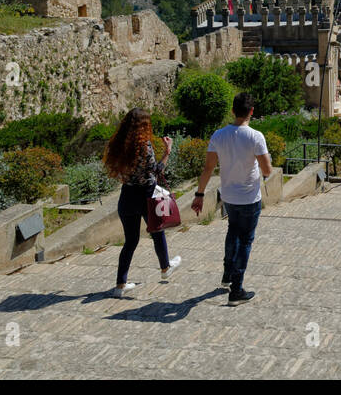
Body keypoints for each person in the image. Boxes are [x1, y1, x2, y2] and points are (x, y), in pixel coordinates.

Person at [193, 92, 273, 306]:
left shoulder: (218, 135)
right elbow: (267, 169)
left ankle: (228, 274)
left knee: (232, 231)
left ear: (233, 110)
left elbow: (208, 168)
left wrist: (199, 194)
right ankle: (236, 289)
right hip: (249, 197)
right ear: (252, 112)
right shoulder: (256, 136)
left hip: (228, 195)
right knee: (245, 240)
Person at [103, 108, 181, 297]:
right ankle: (165, 267)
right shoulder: (144, 146)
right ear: (145, 125)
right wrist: (168, 151)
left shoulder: (119, 144)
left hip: (127, 196)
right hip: (146, 196)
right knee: (157, 230)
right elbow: (156, 170)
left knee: (130, 241)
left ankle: (120, 285)